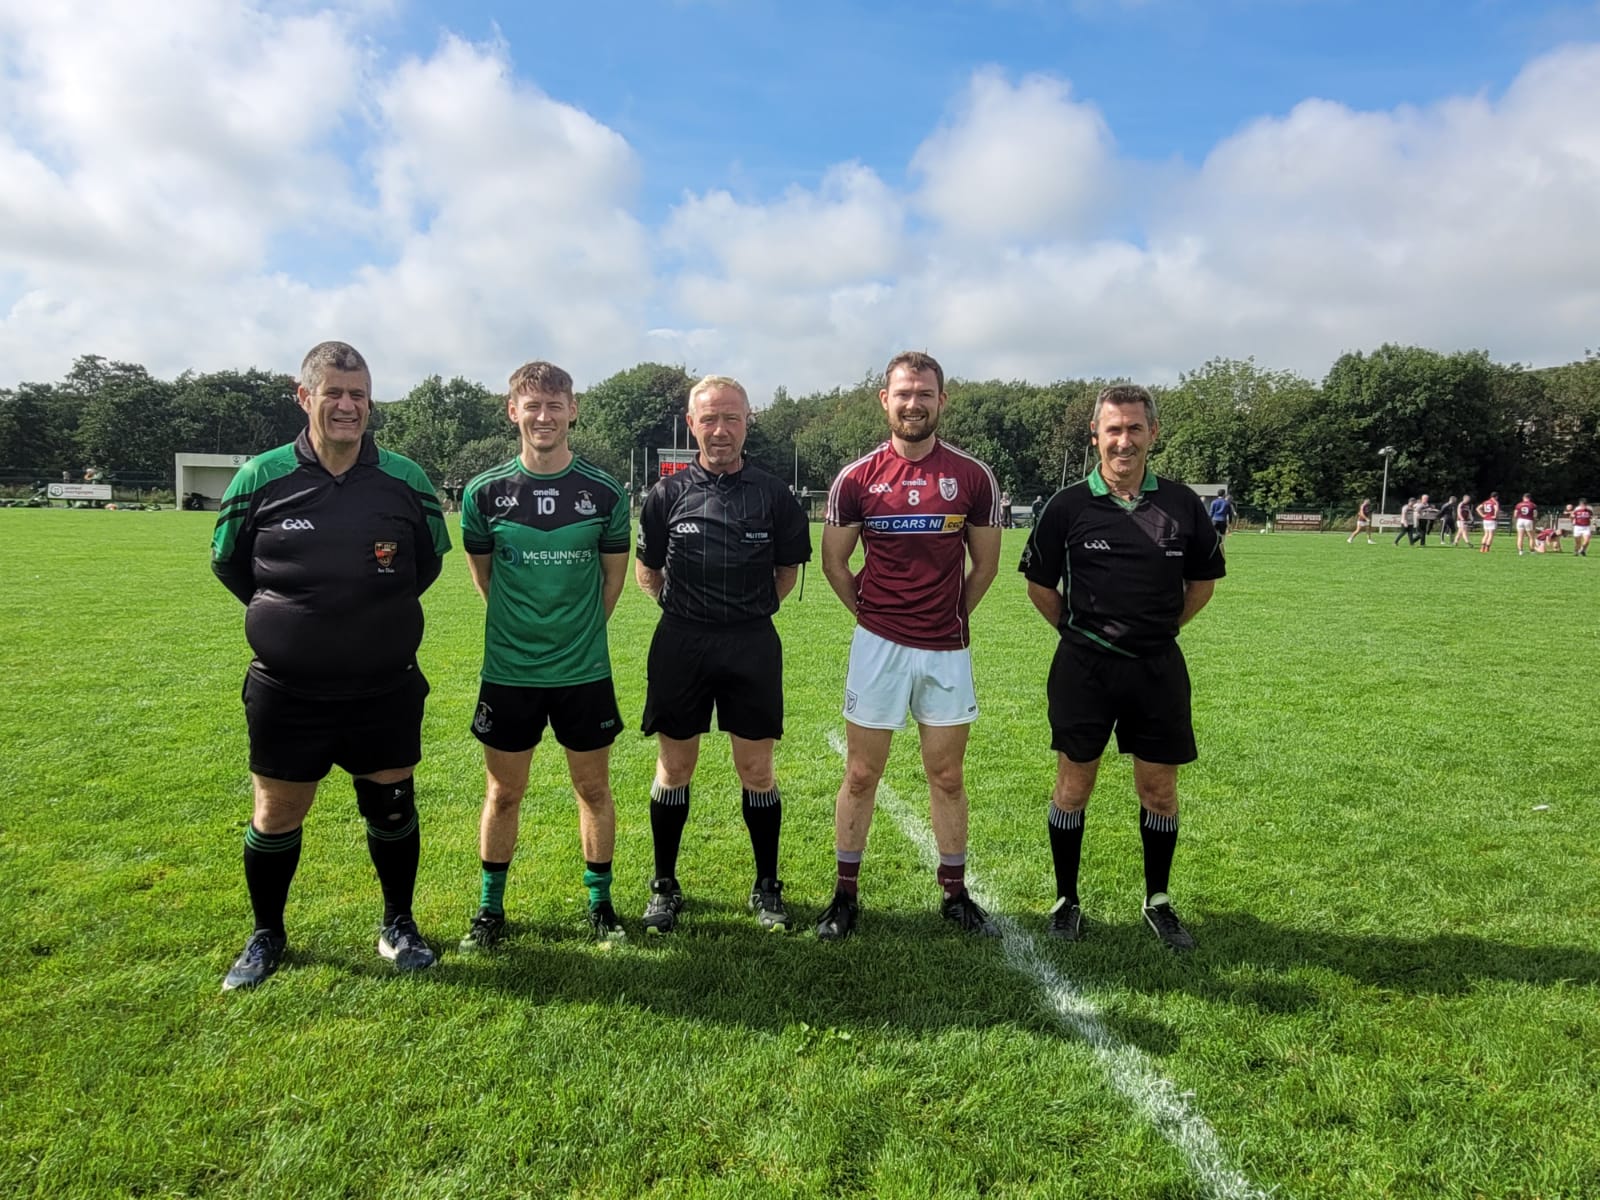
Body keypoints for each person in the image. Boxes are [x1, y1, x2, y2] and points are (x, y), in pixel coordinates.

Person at [211, 341, 451, 990]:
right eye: (334, 393)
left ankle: (398, 924)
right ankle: (267, 934)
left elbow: (427, 564)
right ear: (304, 396)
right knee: (277, 813)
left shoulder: (405, 480)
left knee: (392, 806)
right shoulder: (261, 477)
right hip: (289, 691)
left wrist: (369, 619)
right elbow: (230, 563)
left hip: (384, 687)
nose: (347, 406)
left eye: (358, 395)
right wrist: (292, 618)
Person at [1019, 384, 1224, 950]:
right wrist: (1075, 632)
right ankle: (1066, 900)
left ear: (1153, 434)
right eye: (1113, 429)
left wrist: (1163, 629)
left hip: (1157, 669)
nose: (1124, 440)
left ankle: (1158, 900)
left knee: (1158, 790)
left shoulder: (1182, 505)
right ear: (1096, 436)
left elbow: (1202, 583)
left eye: (1135, 428)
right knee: (1073, 785)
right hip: (1084, 669)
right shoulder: (1067, 505)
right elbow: (1039, 584)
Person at [817, 351, 1003, 941]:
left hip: (946, 648)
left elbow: (986, 566)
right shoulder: (856, 478)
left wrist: (946, 617)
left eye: (924, 394)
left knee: (946, 775)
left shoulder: (972, 476)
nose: (913, 403)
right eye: (903, 394)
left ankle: (955, 893)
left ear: (941, 401)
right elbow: (834, 561)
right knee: (862, 773)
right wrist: (874, 616)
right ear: (885, 401)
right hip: (878, 648)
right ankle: (845, 895)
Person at [457, 361, 631, 950]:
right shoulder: (484, 493)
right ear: (513, 412)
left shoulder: (605, 493)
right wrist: (523, 630)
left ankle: (601, 904)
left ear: (572, 410)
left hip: (584, 672)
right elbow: (485, 579)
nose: (544, 416)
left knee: (594, 789)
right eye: (532, 405)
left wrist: (576, 634)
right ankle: (489, 911)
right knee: (503, 793)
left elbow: (613, 582)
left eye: (555, 405)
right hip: (509, 673)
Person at [634, 375, 812, 934]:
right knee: (675, 766)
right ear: (692, 425)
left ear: (747, 420)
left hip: (751, 643)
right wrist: (692, 611)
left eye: (731, 418)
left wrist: (744, 612)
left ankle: (766, 886)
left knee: (756, 770)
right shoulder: (665, 494)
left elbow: (788, 572)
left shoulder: (774, 493)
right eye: (708, 419)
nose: (720, 429)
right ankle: (664, 885)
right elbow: (648, 571)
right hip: (681, 642)